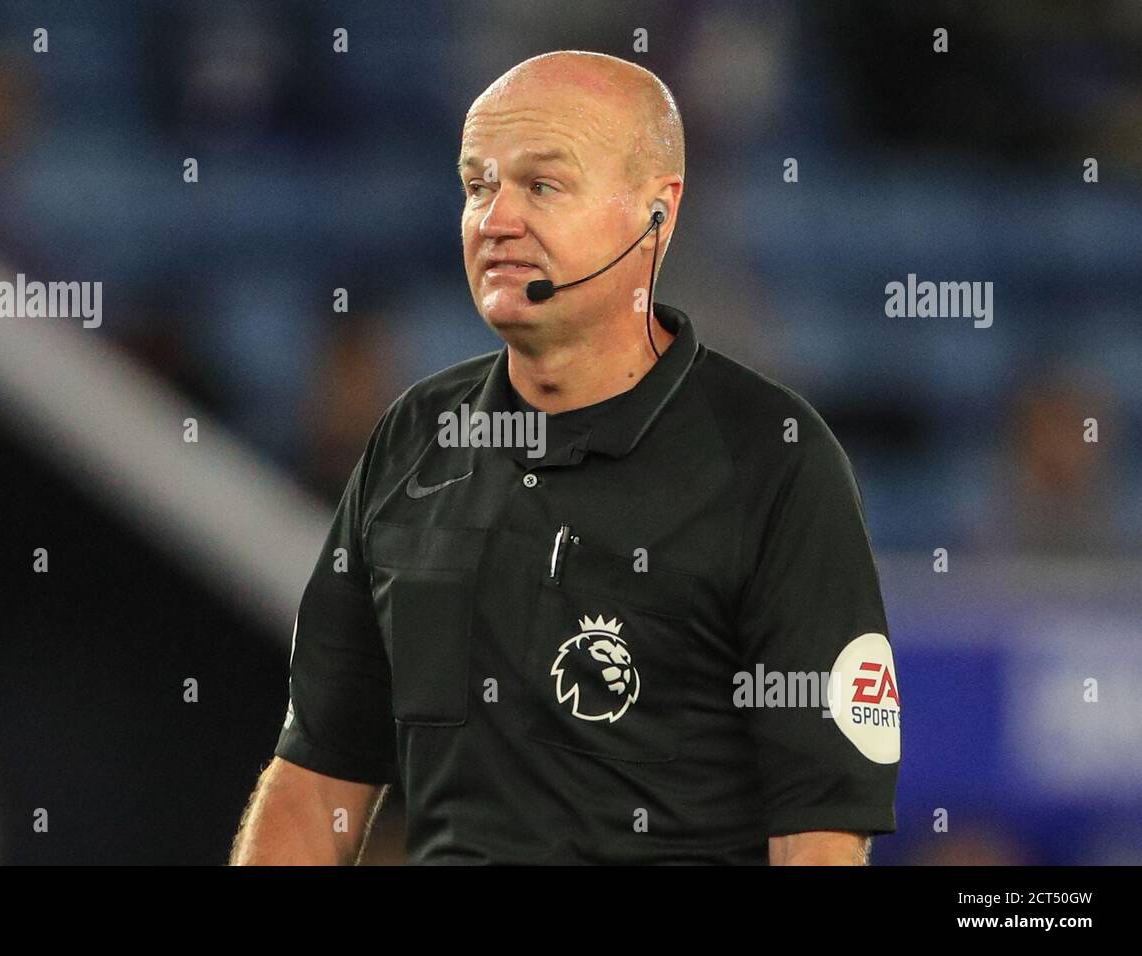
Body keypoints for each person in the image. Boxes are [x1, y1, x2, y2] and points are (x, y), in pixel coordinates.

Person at [231, 50, 900, 865]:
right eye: (478, 185)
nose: (496, 219)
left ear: (656, 214)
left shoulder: (775, 462)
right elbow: (313, 786)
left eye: (541, 186)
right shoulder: (414, 443)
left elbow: (821, 836)